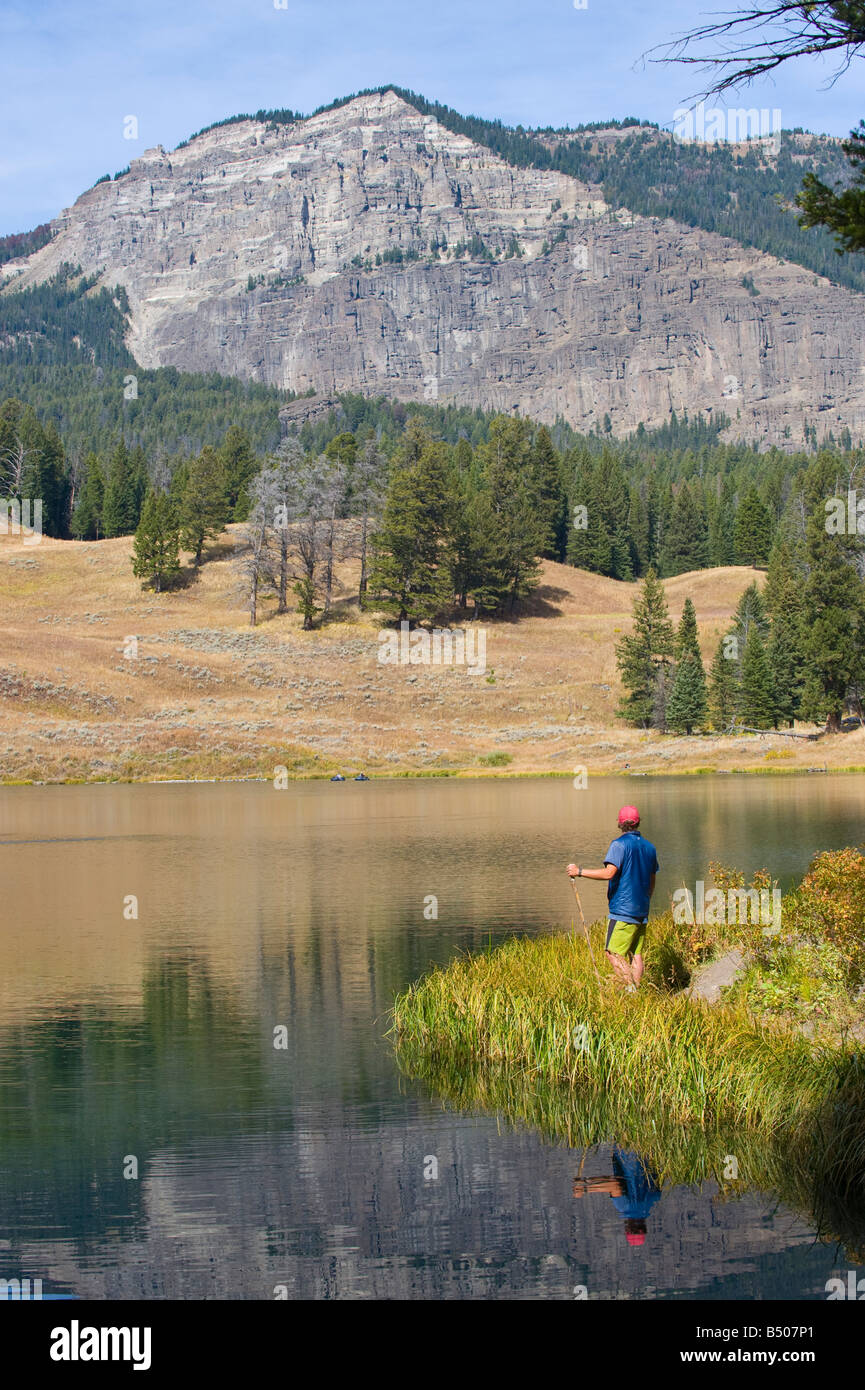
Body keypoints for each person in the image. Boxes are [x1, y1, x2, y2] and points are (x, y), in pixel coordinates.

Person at [567, 805, 659, 991]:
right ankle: (638, 992)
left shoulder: (619, 845)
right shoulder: (649, 847)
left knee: (613, 953)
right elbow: (652, 880)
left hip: (623, 909)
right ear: (638, 822)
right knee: (636, 953)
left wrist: (579, 872)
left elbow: (609, 873)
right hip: (642, 908)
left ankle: (631, 991)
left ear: (620, 823)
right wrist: (646, 898)